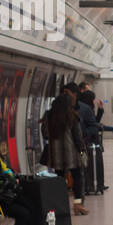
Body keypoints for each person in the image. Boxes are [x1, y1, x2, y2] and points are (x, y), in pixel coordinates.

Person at [46, 87, 89, 215]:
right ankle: (78, 205)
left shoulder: (49, 116)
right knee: (78, 178)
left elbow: (44, 134)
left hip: (56, 154)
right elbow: (77, 137)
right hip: (72, 154)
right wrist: (82, 150)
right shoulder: (72, 115)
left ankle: (60, 205)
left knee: (59, 179)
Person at [76, 87, 107, 194]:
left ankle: (93, 183)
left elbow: (94, 121)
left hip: (89, 140)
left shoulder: (87, 108)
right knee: (88, 163)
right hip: (88, 141)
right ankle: (93, 184)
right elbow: (93, 124)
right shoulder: (85, 109)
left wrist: (100, 110)